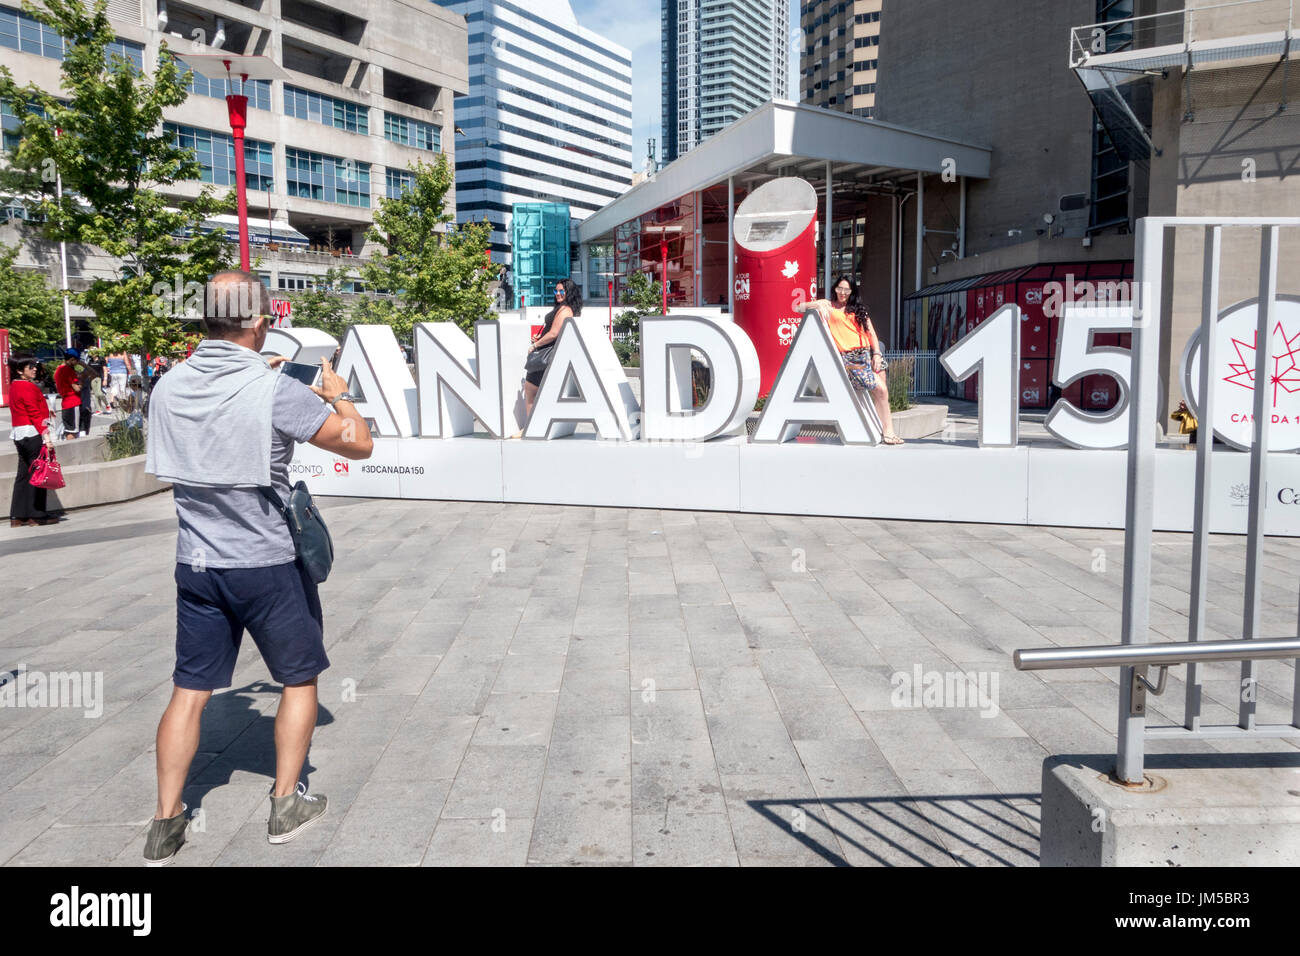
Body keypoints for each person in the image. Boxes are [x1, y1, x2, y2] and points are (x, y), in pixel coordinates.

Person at [141, 269, 373, 866]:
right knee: (299, 680)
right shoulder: (276, 390)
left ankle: (166, 823)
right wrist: (337, 394)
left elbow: (213, 428)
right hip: (267, 561)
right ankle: (285, 803)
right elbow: (357, 443)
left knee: (189, 691)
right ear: (263, 321)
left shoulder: (167, 385)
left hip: (196, 561)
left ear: (207, 320)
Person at [811, 275, 904, 445]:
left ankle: (883, 431)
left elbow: (871, 334)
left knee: (882, 395)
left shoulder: (858, 310)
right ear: (835, 289)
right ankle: (888, 433)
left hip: (868, 354)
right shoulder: (829, 307)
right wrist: (815, 303)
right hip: (851, 358)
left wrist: (877, 354)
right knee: (881, 391)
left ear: (852, 291)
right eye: (840, 289)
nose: (843, 293)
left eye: (847, 289)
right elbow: (797, 307)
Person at [516, 277, 580, 431]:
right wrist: (540, 337)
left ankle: (529, 428)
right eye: (556, 290)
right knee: (536, 391)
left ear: (568, 292)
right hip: (548, 353)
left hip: (546, 356)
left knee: (530, 390)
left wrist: (535, 345)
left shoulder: (565, 309)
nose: (558, 293)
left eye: (561, 291)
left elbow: (554, 333)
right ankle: (536, 427)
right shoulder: (563, 308)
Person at [7, 357, 58, 527]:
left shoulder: (14, 385)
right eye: (30, 367)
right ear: (20, 370)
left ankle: (17, 515)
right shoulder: (27, 386)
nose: (34, 369)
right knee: (38, 474)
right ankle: (36, 515)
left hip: (19, 434)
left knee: (23, 474)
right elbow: (34, 413)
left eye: (34, 366)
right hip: (32, 433)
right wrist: (47, 437)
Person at [52, 349, 83, 440]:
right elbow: (76, 388)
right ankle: (73, 450)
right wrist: (81, 381)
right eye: (76, 360)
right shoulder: (69, 371)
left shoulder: (58, 369)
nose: (77, 363)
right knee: (73, 431)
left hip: (65, 402)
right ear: (72, 359)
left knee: (69, 429)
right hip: (73, 402)